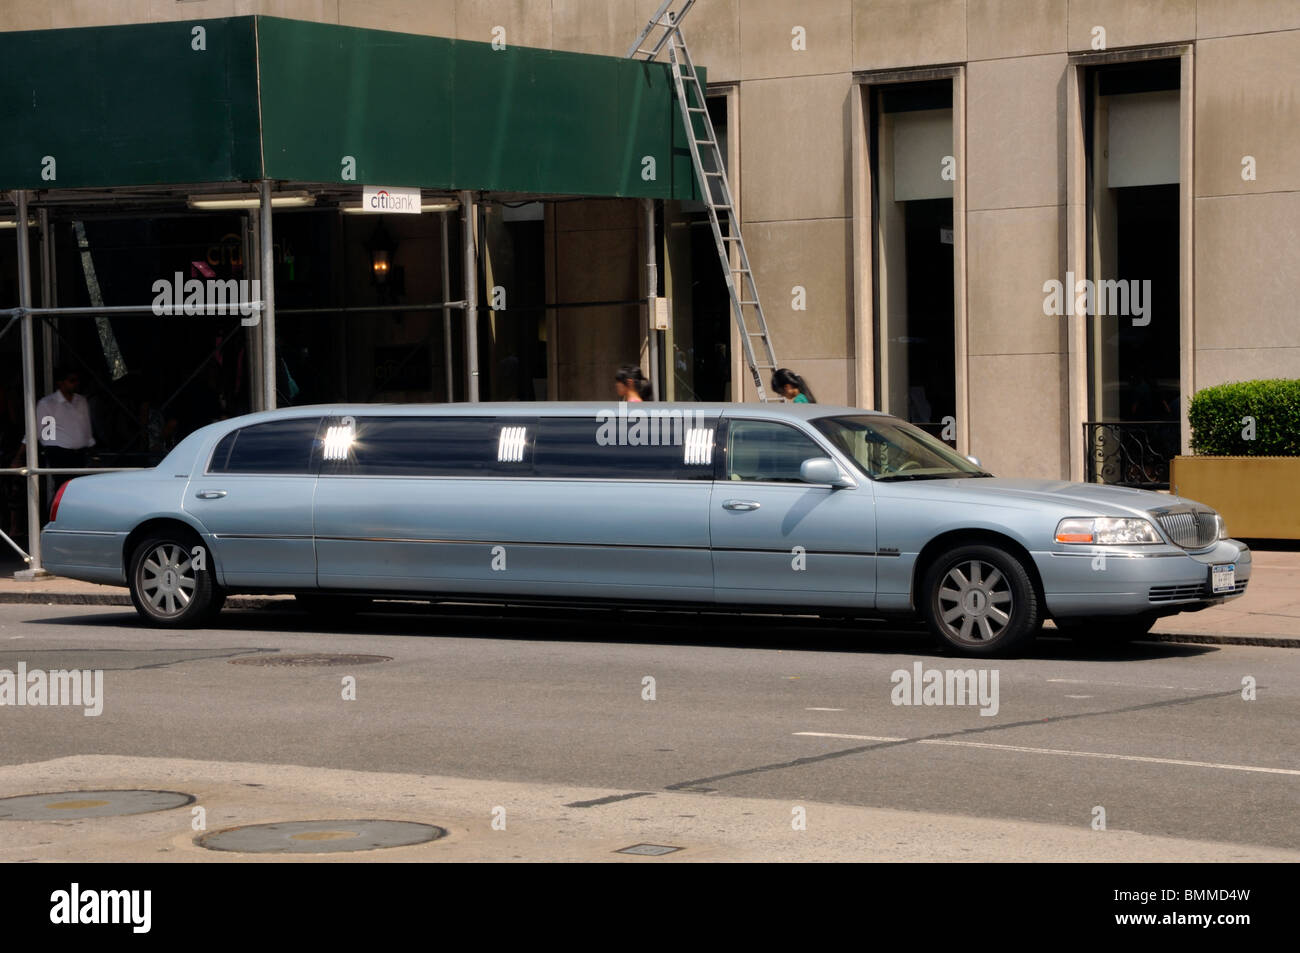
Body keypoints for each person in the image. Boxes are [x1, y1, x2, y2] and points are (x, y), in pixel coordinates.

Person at [10, 367, 96, 516]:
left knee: (78, 488)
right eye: (71, 381)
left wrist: (93, 451)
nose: (75, 384)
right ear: (60, 383)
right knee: (64, 488)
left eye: (76, 380)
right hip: (59, 452)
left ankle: (69, 519)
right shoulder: (48, 404)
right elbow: (37, 431)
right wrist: (19, 455)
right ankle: (53, 518)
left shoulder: (81, 401)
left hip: (80, 452)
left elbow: (86, 428)